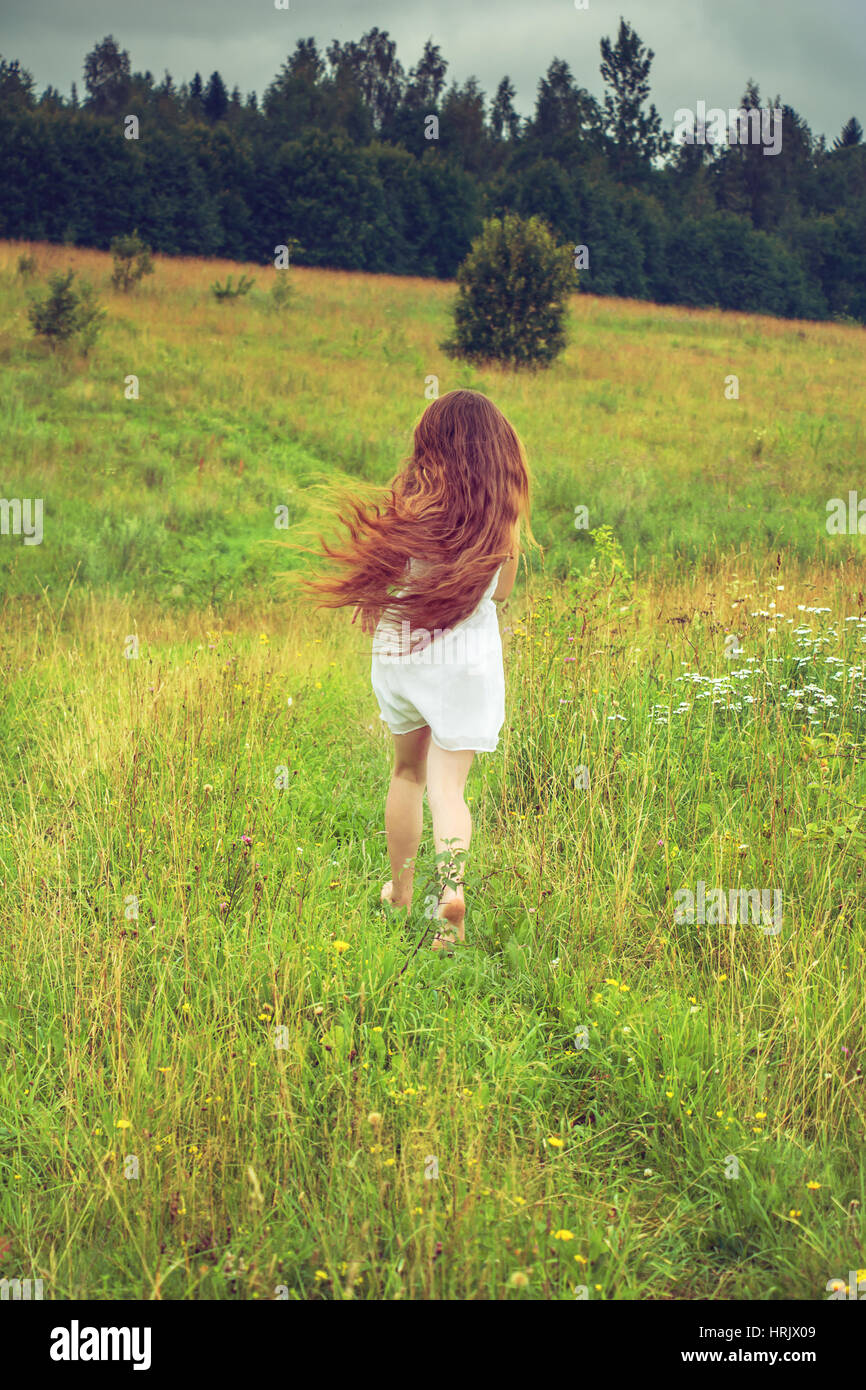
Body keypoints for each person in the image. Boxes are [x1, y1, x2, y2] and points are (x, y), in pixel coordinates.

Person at [306, 389, 534, 948]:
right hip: (466, 663)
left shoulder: (409, 511)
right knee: (448, 787)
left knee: (407, 772)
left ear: (429, 446)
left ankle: (402, 894)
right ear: (496, 454)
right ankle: (449, 895)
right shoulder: (499, 525)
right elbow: (500, 596)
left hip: (405, 652)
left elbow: (384, 581)